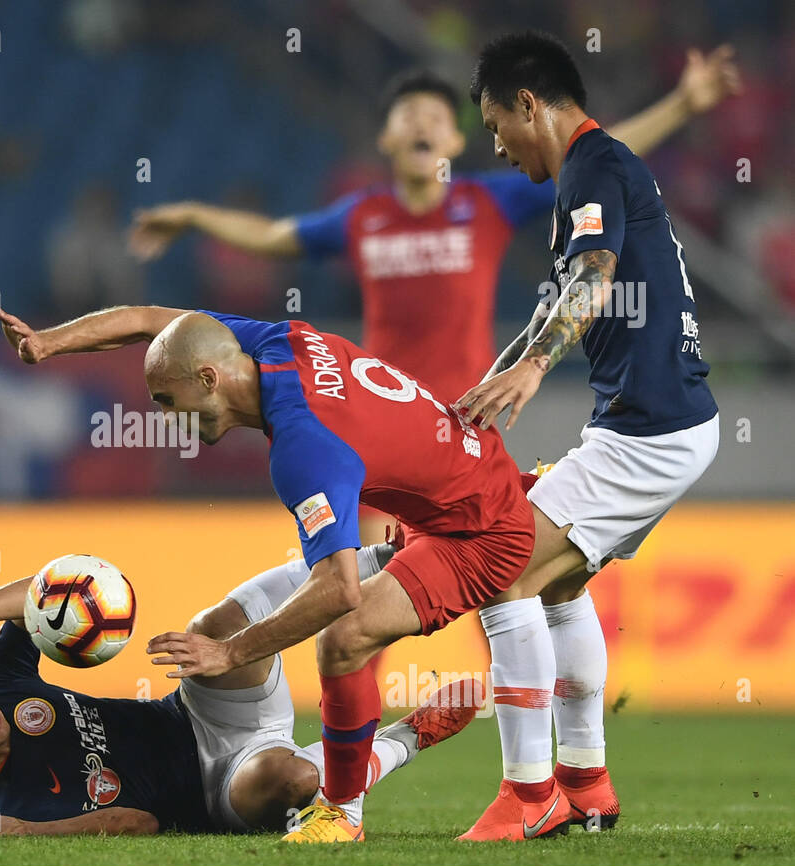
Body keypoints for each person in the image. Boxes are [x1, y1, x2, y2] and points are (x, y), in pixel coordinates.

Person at [129, 53, 739, 543]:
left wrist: (684, 104)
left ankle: (518, 695)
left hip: (464, 419)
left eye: (436, 116)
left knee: (494, 568)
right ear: (386, 138)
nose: (421, 125)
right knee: (368, 594)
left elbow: (588, 152)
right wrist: (192, 215)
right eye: (407, 115)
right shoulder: (362, 217)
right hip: (378, 424)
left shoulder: (490, 201)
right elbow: (272, 235)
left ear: (455, 138)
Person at [0, 303, 533, 843]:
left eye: (167, 401)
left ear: (209, 378)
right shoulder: (276, 342)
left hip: (480, 534)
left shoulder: (303, 448)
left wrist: (230, 652)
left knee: (343, 637)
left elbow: (338, 590)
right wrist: (49, 344)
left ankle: (341, 815)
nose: (164, 418)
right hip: (458, 493)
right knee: (333, 612)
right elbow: (145, 319)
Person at [450, 31, 721, 842]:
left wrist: (532, 374)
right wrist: (502, 372)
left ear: (530, 104)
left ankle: (527, 796)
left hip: (649, 432)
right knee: (558, 589)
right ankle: (587, 786)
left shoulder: (592, 166)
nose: (498, 148)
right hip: (662, 426)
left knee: (499, 574)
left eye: (498, 127)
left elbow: (594, 275)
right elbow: (560, 295)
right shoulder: (596, 166)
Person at [0, 551, 481, 835]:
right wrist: (24, 833)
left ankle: (379, 557)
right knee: (291, 783)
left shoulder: (0, 681)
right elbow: (140, 821)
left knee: (214, 630)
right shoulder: (6, 805)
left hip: (197, 710)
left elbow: (50, 588)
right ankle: (409, 736)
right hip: (220, 790)